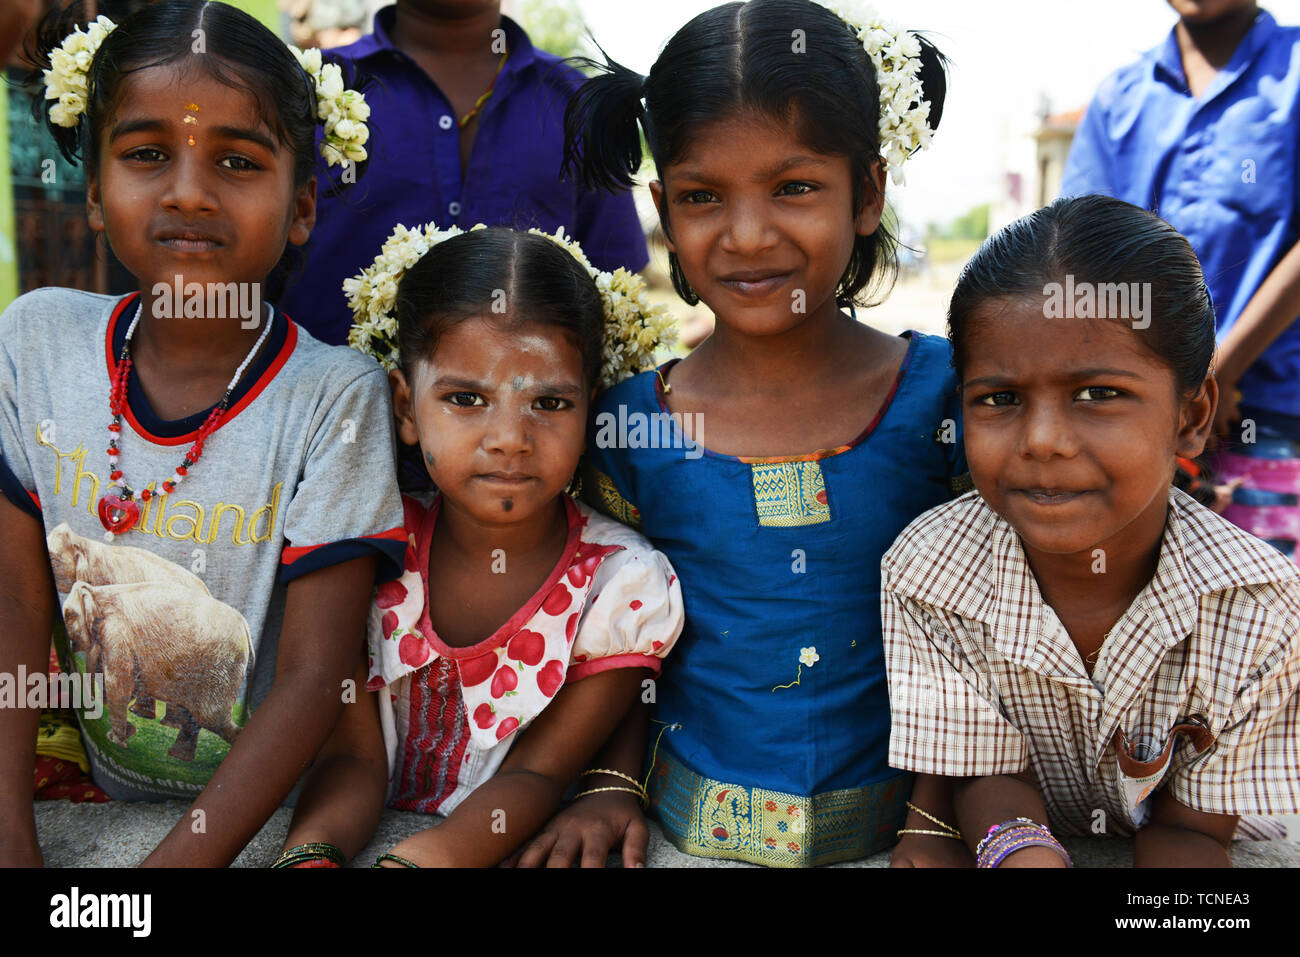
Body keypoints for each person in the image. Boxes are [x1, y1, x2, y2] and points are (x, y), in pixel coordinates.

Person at [508, 0, 968, 868]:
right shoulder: (630, 422)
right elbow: (617, 629)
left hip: (906, 833)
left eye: (794, 188)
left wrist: (940, 819)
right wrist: (610, 785)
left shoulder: (946, 395)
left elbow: (984, 631)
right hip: (684, 835)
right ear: (662, 209)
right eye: (703, 197)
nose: (748, 235)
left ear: (867, 192)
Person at [0, 0, 407, 867]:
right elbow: (15, 608)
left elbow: (311, 679)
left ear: (302, 207)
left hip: (288, 801)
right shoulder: (33, 342)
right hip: (97, 781)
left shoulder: (332, 398)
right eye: (147, 154)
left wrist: (151, 885)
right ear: (97, 194)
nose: (188, 189)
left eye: (236, 160)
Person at [882, 195, 1300, 868]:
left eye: (1098, 393)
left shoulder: (1261, 605)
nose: (1044, 441)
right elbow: (985, 772)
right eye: (1001, 399)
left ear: (1192, 416)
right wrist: (1023, 852)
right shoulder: (928, 572)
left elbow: (1192, 831)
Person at [271, 226, 682, 868]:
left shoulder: (621, 587)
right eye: (466, 399)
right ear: (406, 408)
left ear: (589, 415)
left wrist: (418, 863)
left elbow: (537, 779)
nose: (510, 438)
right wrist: (308, 857)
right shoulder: (370, 549)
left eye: (549, 402)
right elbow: (351, 757)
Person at [1060, 0, 1300, 562]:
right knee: (1158, 618)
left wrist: (1222, 366)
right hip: (1143, 418)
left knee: (1270, 619)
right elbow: (1082, 253)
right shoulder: (1121, 97)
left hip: (1272, 413)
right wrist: (1166, 382)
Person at [270, 0, 650, 346]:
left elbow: (616, 289)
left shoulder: (577, 105)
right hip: (323, 413)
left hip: (521, 415)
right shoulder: (305, 90)